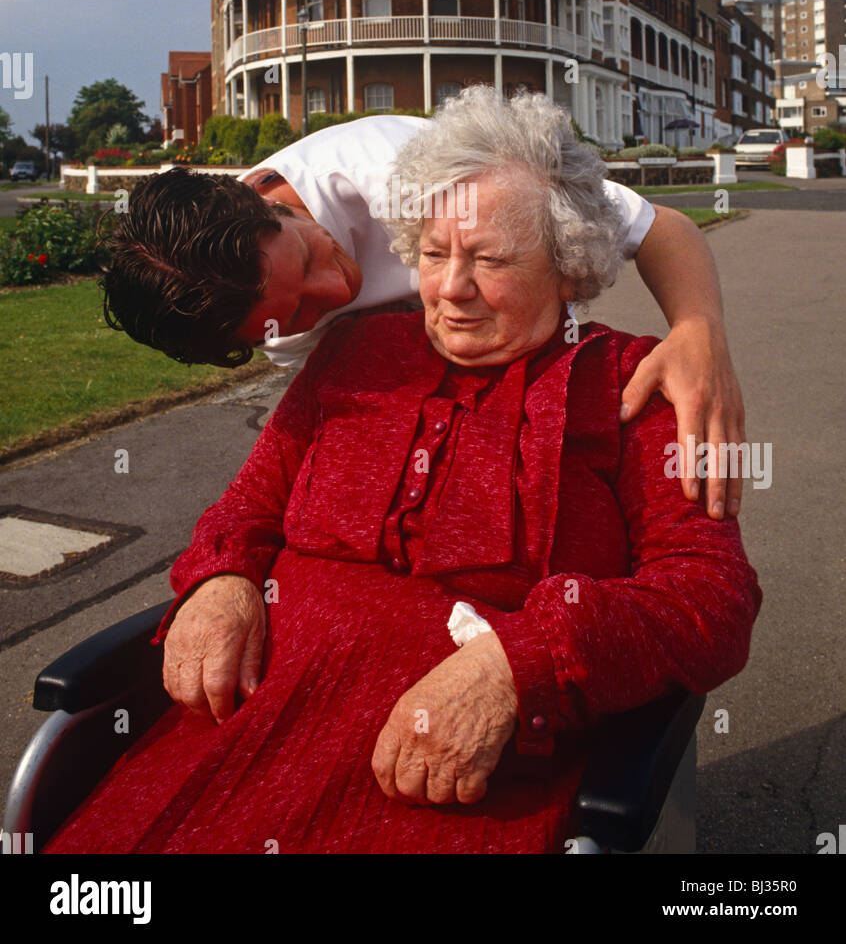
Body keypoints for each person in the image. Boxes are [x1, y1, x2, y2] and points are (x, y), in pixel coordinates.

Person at [45, 90, 761, 855]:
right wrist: (220, 581)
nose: (449, 288)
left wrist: (519, 664)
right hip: (246, 728)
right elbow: (245, 510)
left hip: (452, 778)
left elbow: (709, 601)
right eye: (431, 253)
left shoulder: (631, 386)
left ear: (570, 265)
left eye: (488, 259)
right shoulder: (348, 353)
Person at [102, 108, 745, 518]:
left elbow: (656, 226)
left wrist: (699, 333)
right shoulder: (248, 305)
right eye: (293, 316)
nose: (334, 293)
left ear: (267, 195)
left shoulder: (398, 170)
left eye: (306, 260)